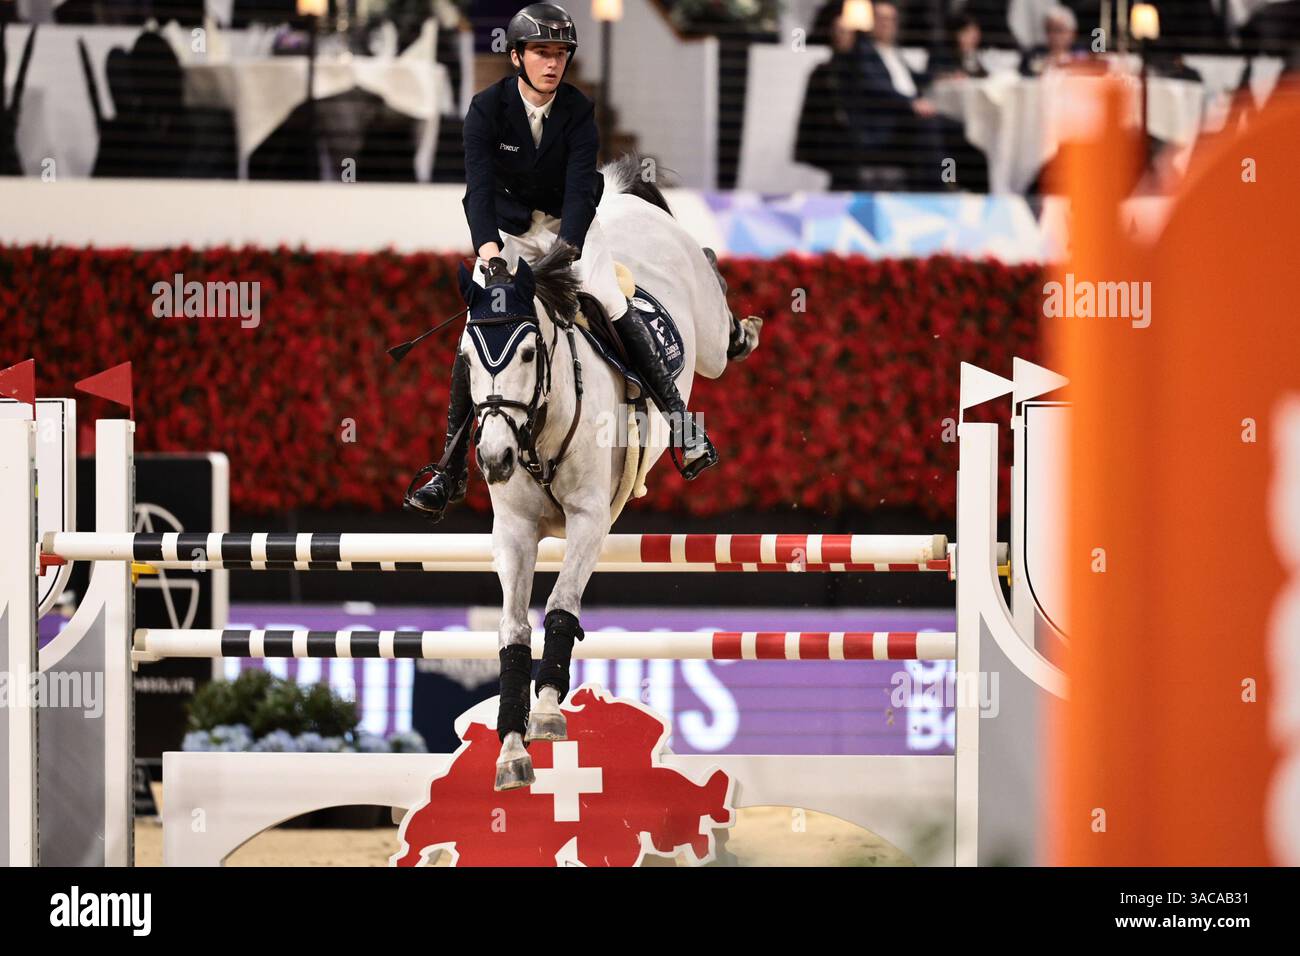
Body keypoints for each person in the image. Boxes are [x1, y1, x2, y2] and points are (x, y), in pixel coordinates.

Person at [406, 2, 718, 521]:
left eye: (560, 54)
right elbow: (478, 192)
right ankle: (449, 469)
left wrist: (568, 249)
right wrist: (489, 256)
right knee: (475, 333)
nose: (553, 63)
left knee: (612, 301)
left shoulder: (577, 110)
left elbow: (580, 191)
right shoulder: (486, 109)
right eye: (541, 53)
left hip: (566, 230)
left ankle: (683, 427)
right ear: (516, 57)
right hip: (506, 234)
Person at [1019, 6, 1087, 76]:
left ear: (1073, 33)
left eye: (1059, 30)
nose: (1053, 36)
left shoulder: (1082, 56)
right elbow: (1023, 76)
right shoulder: (1034, 55)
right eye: (1048, 30)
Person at [929, 11, 990, 79]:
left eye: (976, 32)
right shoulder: (942, 55)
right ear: (956, 34)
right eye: (968, 31)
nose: (974, 37)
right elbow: (933, 75)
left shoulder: (981, 55)